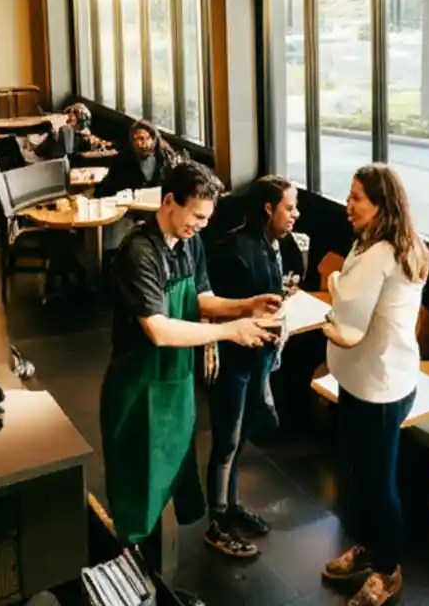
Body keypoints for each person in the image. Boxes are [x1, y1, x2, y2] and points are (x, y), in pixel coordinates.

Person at [101, 161, 281, 606]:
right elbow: (159, 330)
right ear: (168, 202)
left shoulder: (190, 242)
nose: (201, 226)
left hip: (175, 383)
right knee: (139, 495)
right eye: (196, 216)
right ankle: (131, 590)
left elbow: (202, 300)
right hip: (138, 389)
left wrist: (246, 306)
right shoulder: (138, 252)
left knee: (171, 480)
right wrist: (229, 332)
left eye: (206, 218)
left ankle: (159, 586)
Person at [319, 164, 429, 606]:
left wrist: (330, 303)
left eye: (356, 199)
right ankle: (370, 547)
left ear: (382, 205)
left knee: (378, 482)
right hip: (393, 379)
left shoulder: (380, 255)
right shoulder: (403, 246)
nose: (348, 206)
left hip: (374, 388)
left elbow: (348, 324)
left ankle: (387, 569)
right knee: (367, 476)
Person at [202, 175, 301, 558]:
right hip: (233, 363)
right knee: (226, 440)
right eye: (289, 207)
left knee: (240, 439)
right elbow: (214, 305)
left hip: (257, 359)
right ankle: (216, 523)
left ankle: (230, 505)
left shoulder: (274, 246)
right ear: (268, 209)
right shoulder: (236, 250)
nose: (295, 214)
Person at [94, 119, 181, 198]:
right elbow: (109, 184)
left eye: (142, 139)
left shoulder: (167, 157)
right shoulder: (124, 159)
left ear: (153, 138)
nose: (139, 144)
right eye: (135, 140)